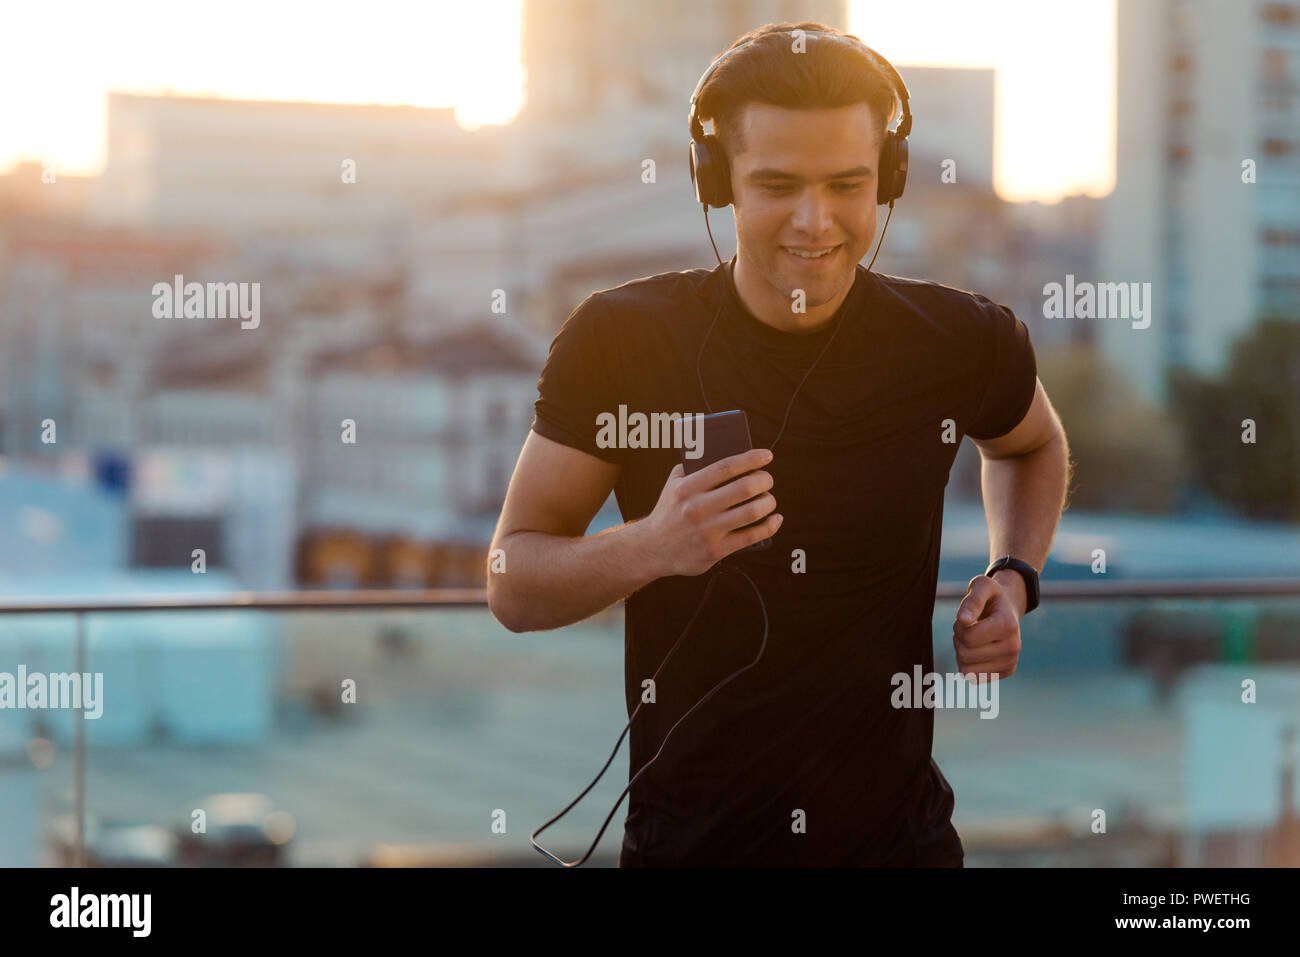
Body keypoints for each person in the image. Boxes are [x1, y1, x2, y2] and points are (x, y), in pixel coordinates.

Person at [488, 20, 1071, 866]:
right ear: (718, 182)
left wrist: (1015, 576)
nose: (815, 220)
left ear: (889, 179)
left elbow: (1030, 444)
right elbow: (513, 581)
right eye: (777, 184)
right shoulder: (618, 341)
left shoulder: (961, 340)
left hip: (901, 848)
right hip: (690, 849)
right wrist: (653, 545)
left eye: (846, 184)